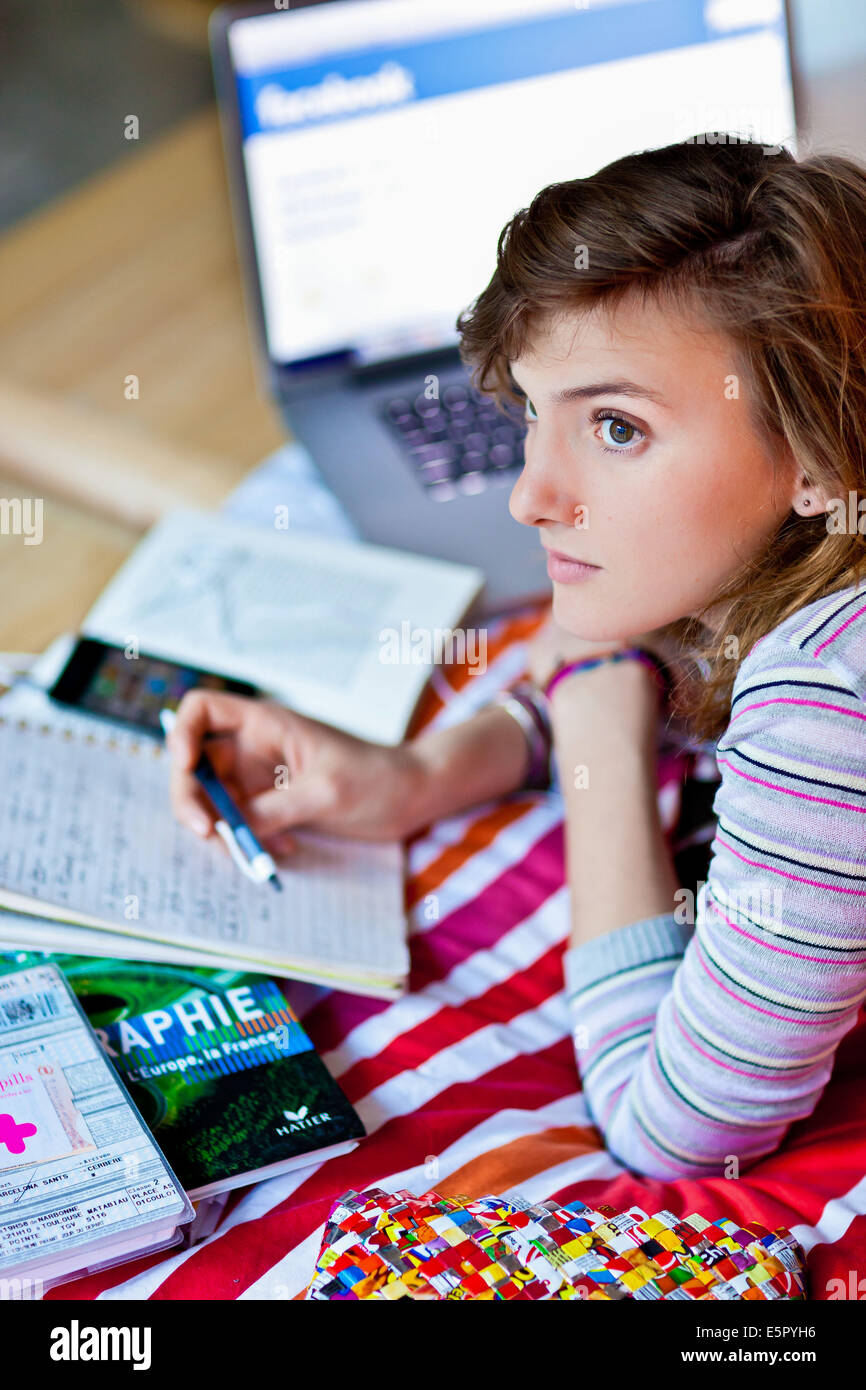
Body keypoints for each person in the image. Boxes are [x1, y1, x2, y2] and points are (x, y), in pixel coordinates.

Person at [166, 136, 866, 1179]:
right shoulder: (784, 564)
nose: (529, 497)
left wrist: (594, 734)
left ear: (816, 453)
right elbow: (656, 661)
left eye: (617, 428)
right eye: (536, 416)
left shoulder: (819, 700)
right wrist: (418, 777)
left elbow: (674, 1133)